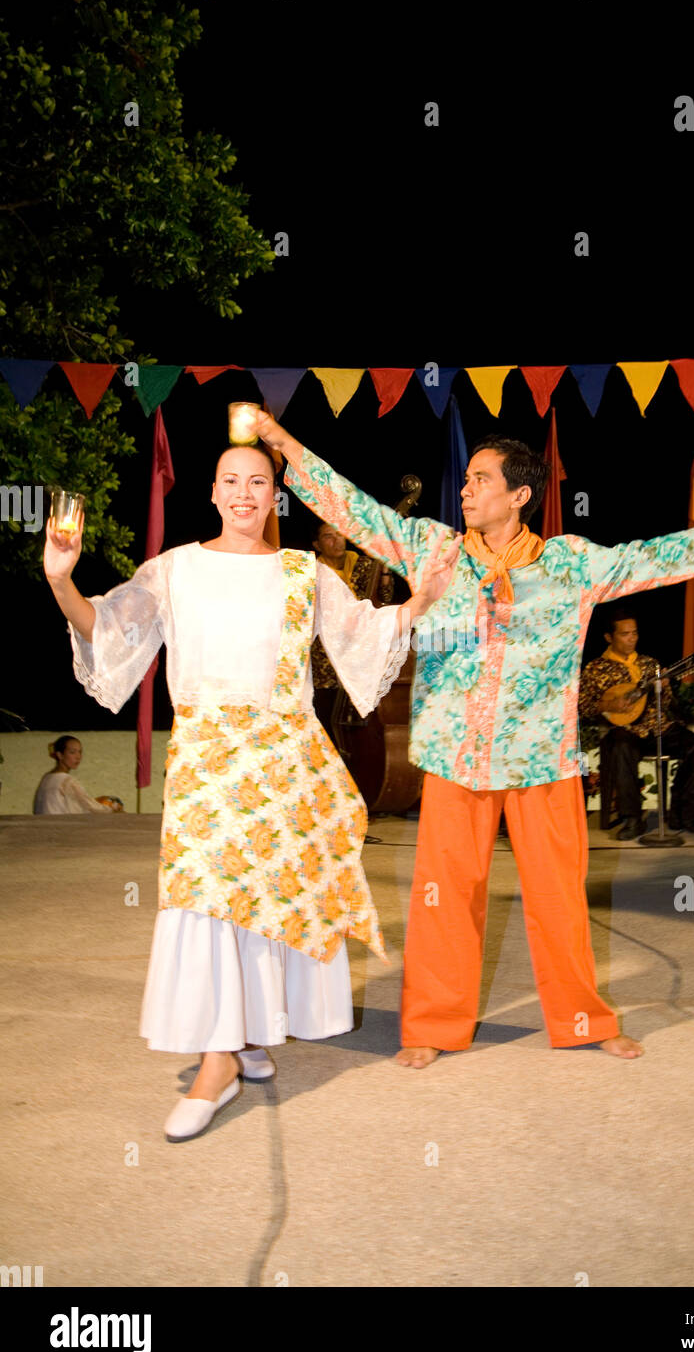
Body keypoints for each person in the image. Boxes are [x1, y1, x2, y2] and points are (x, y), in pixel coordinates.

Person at [259, 411, 694, 1067]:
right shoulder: (436, 550)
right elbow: (361, 514)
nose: (464, 490)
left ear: (519, 495)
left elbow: (652, 559)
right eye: (465, 479)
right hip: (455, 755)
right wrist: (289, 448)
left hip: (543, 756)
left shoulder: (569, 564)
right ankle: (433, 1024)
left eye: (480, 480)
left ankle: (583, 1019)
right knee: (443, 898)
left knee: (559, 897)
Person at [43, 441, 459, 1141]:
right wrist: (61, 581)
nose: (244, 493)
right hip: (207, 760)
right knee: (204, 900)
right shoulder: (174, 569)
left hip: (285, 761)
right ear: (212, 492)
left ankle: (248, 1034)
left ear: (274, 496)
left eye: (258, 482)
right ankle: (217, 1061)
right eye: (231, 481)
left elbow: (365, 630)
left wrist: (423, 598)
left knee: (267, 902)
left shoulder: (304, 572)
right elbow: (107, 630)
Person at [579, 607, 694, 838]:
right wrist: (608, 706)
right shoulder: (595, 668)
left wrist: (664, 690)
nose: (632, 639)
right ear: (609, 637)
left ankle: (684, 812)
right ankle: (632, 819)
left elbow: (666, 704)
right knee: (621, 747)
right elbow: (583, 706)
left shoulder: (650, 665)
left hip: (658, 728)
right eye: (625, 634)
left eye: (635, 633)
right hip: (623, 730)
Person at [310, 520, 394, 746]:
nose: (336, 540)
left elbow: (384, 598)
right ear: (317, 544)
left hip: (362, 653)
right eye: (328, 536)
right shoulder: (312, 573)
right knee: (327, 713)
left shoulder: (365, 565)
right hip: (325, 660)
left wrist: (384, 568)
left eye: (339, 534)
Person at [33, 735, 123, 814]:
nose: (78, 757)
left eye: (80, 752)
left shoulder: (47, 777)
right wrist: (113, 809)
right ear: (60, 755)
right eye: (72, 752)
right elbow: (90, 806)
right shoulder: (67, 781)